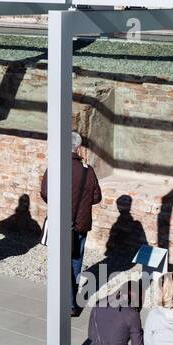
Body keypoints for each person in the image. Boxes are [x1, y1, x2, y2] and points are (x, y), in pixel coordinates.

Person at [40, 132, 102, 315]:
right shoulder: (87, 170)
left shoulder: (55, 167)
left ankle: (64, 299)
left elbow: (45, 192)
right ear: (78, 147)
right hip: (80, 223)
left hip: (60, 222)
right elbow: (97, 197)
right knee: (75, 260)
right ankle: (72, 302)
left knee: (60, 260)